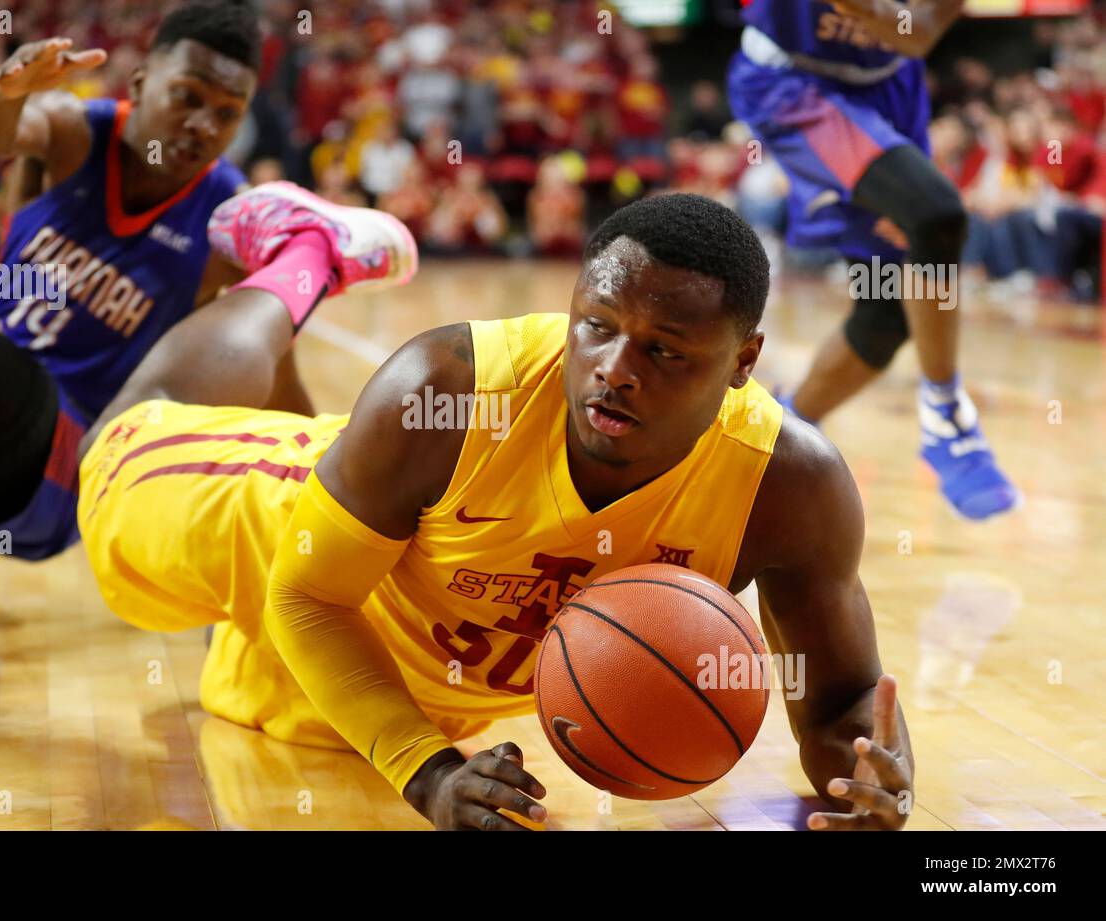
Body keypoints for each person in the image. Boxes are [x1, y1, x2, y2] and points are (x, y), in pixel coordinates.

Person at [78, 193, 914, 831]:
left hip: (378, 653)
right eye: (596, 325)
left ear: (744, 360)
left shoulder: (789, 485)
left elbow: (842, 696)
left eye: (664, 349)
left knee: (299, 726)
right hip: (269, 520)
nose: (614, 369)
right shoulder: (443, 387)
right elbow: (303, 596)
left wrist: (866, 777)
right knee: (112, 444)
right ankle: (305, 257)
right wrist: (428, 773)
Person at [0, 3, 414, 718]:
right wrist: (5, 91)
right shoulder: (75, 133)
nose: (201, 124)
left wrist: (336, 499)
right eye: (187, 96)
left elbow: (267, 366)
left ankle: (311, 262)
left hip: (54, 471)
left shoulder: (226, 221)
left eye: (226, 112)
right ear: (142, 77)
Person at [726, 0, 1019, 520]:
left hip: (889, 88)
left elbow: (916, 33)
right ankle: (947, 418)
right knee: (934, 212)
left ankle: (773, 438)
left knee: (883, 308)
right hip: (793, 81)